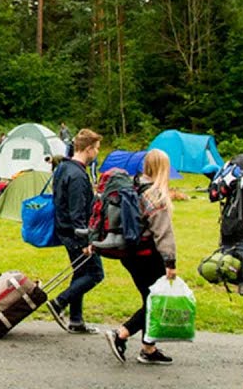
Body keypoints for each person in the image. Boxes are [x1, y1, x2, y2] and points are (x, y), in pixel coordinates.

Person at [104, 148, 177, 365]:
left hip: (129, 252)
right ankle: (122, 333)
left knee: (150, 298)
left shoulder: (134, 184)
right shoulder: (155, 195)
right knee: (156, 301)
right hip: (147, 254)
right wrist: (170, 262)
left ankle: (148, 347)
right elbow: (163, 232)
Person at [45, 128, 104, 335]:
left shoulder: (63, 168)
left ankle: (76, 320)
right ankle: (59, 302)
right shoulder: (78, 176)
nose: (97, 153)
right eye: (96, 148)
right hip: (76, 234)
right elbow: (77, 212)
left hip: (64, 229)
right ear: (88, 149)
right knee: (96, 274)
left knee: (80, 273)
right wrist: (86, 240)